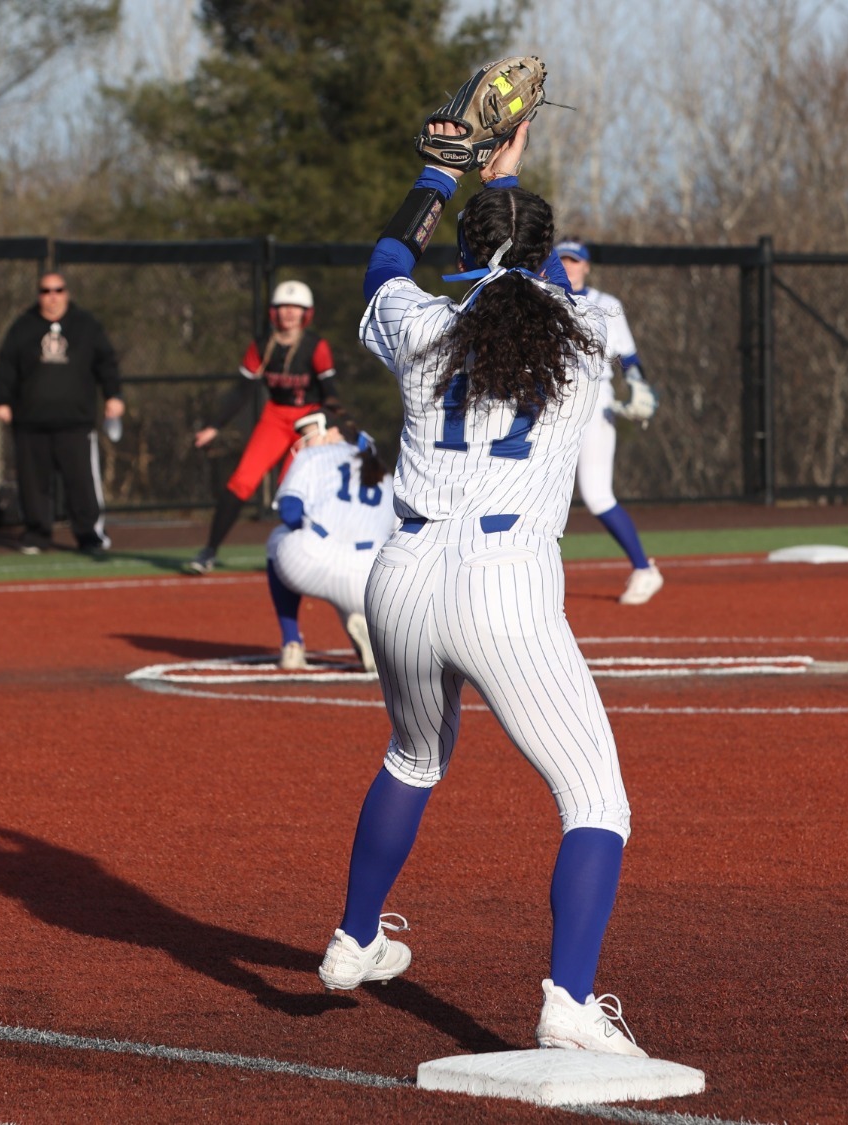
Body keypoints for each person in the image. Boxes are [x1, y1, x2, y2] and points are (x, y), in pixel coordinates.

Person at [316, 118, 649, 1058]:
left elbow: (387, 258)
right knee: (595, 796)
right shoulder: (582, 329)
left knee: (414, 758)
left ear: (465, 249)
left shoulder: (422, 323)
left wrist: (446, 171)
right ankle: (570, 1002)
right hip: (503, 583)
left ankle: (354, 936)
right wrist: (508, 185)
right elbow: (528, 278)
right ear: (552, 260)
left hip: (404, 577)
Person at [183, 281, 341, 574]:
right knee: (241, 481)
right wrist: (215, 425)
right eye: (283, 307)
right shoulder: (261, 346)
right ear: (273, 313)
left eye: (296, 308)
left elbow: (330, 391)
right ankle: (209, 551)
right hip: (276, 417)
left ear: (307, 313)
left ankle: (309, 557)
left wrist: (332, 423)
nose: (289, 313)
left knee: (294, 491)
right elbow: (242, 391)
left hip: (307, 421)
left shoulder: (315, 347)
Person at [552, 239, 663, 604]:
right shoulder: (544, 296)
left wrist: (637, 383)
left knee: (598, 496)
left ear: (587, 267)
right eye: (563, 259)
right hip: (551, 402)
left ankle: (643, 569)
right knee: (544, 493)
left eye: (575, 261)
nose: (569, 266)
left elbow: (628, 357)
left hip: (596, 400)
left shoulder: (607, 305)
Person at [0, 272, 123, 556]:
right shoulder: (23, 326)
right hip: (30, 421)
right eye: (46, 291)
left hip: (75, 421)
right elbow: (6, 365)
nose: (52, 296)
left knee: (82, 483)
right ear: (39, 294)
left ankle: (89, 535)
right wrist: (0, 400)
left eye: (58, 290)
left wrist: (113, 395)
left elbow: (107, 363)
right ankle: (37, 535)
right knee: (33, 484)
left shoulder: (86, 326)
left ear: (67, 293)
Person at [264, 410, 394, 672]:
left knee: (278, 538)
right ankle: (367, 628)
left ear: (334, 433)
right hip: (368, 580)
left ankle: (292, 644)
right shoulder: (385, 473)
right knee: (356, 574)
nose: (307, 439)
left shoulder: (312, 455)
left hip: (311, 560)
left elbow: (289, 512)